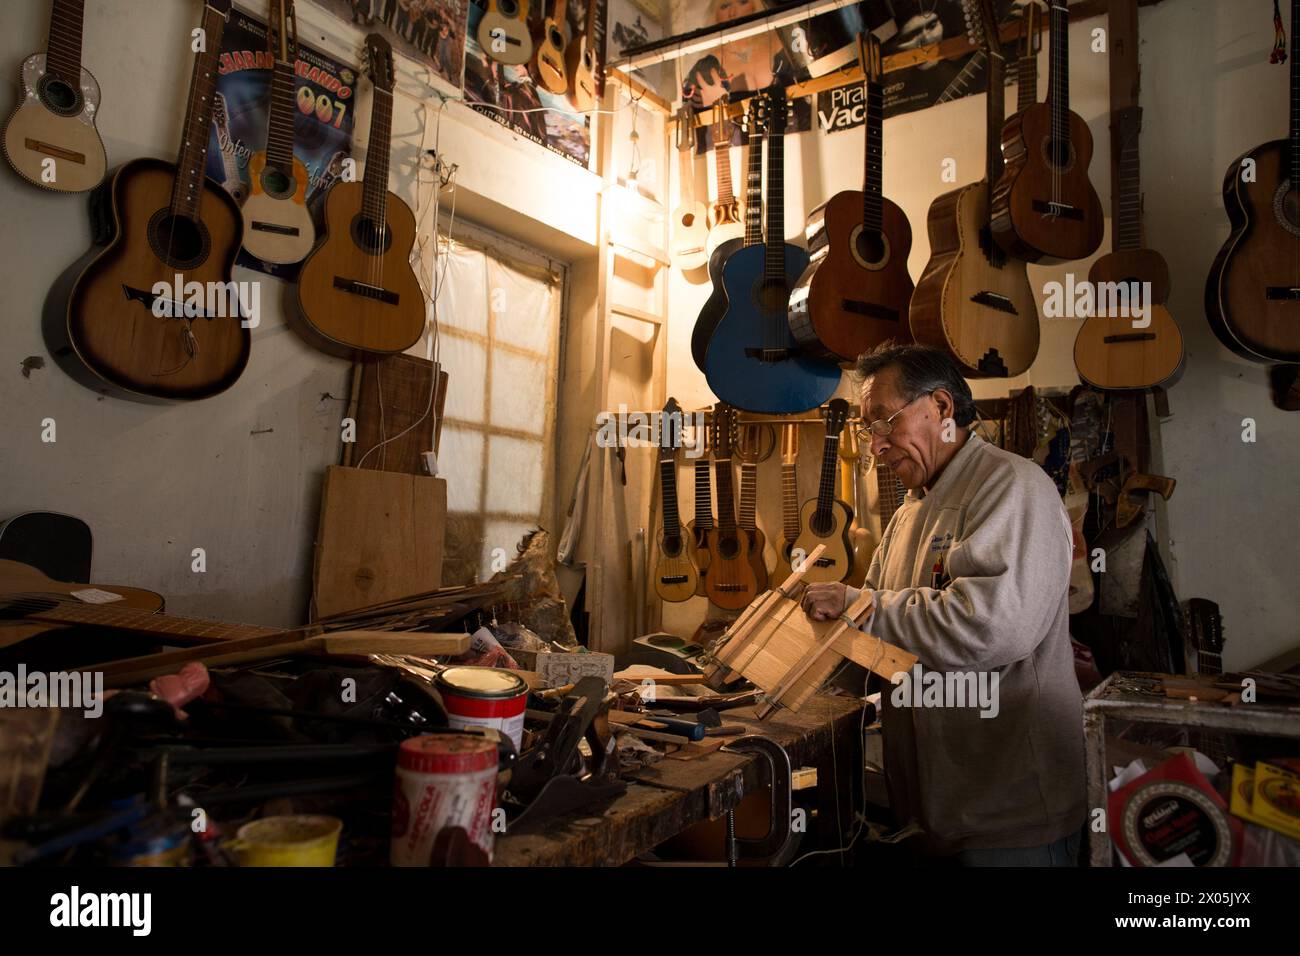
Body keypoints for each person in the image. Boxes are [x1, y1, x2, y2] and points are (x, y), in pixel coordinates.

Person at [800, 343, 1085, 866]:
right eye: (868, 431)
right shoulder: (912, 510)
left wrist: (861, 604)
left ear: (942, 408)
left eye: (884, 422)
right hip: (934, 810)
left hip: (1011, 816)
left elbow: (993, 627)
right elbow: (878, 637)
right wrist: (794, 672)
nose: (876, 447)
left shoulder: (1012, 485)